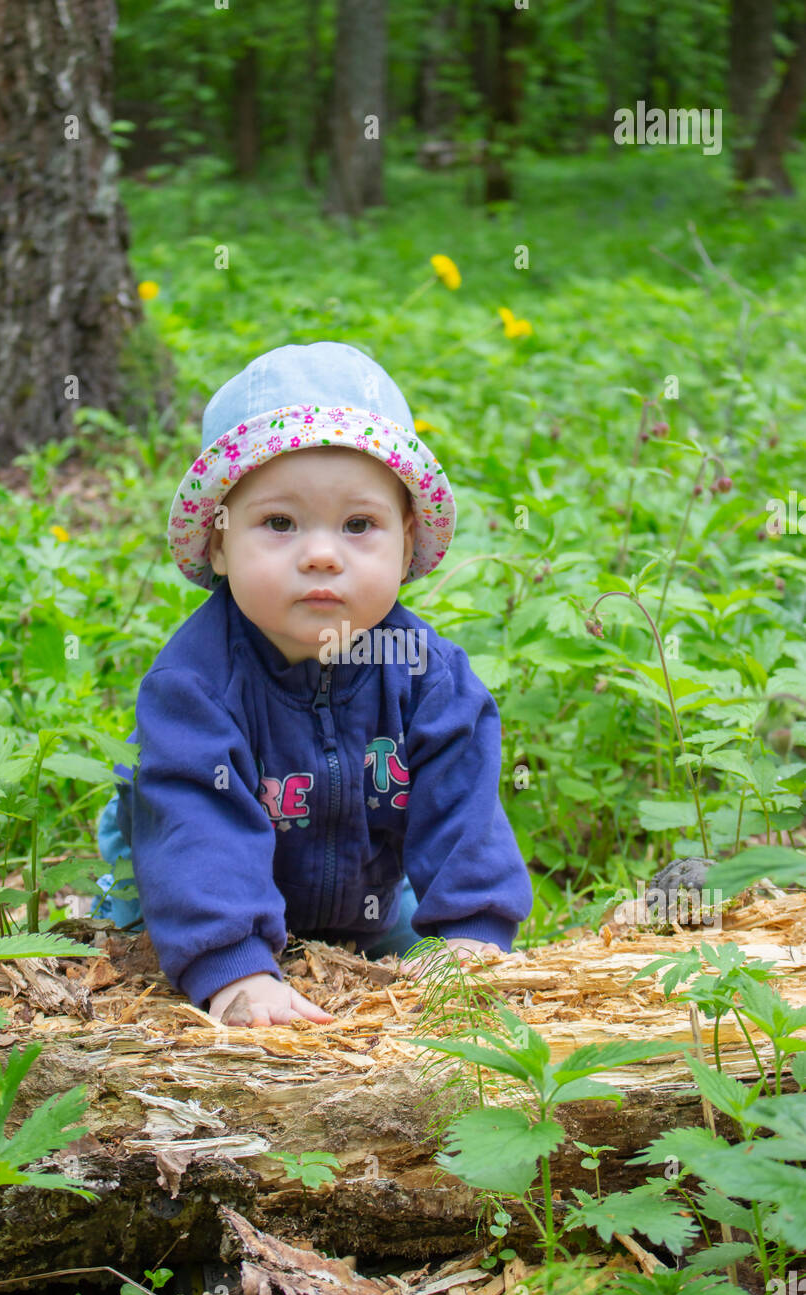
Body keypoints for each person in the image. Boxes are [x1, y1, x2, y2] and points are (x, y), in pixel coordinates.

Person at [94, 341, 533, 1027]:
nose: (322, 553)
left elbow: (462, 815)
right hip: (194, 901)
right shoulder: (195, 685)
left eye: (359, 525)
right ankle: (211, 955)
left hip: (364, 907)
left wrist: (473, 933)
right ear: (217, 541)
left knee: (426, 958)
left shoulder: (427, 675)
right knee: (140, 957)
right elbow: (194, 824)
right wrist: (233, 969)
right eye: (280, 523)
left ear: (406, 538)